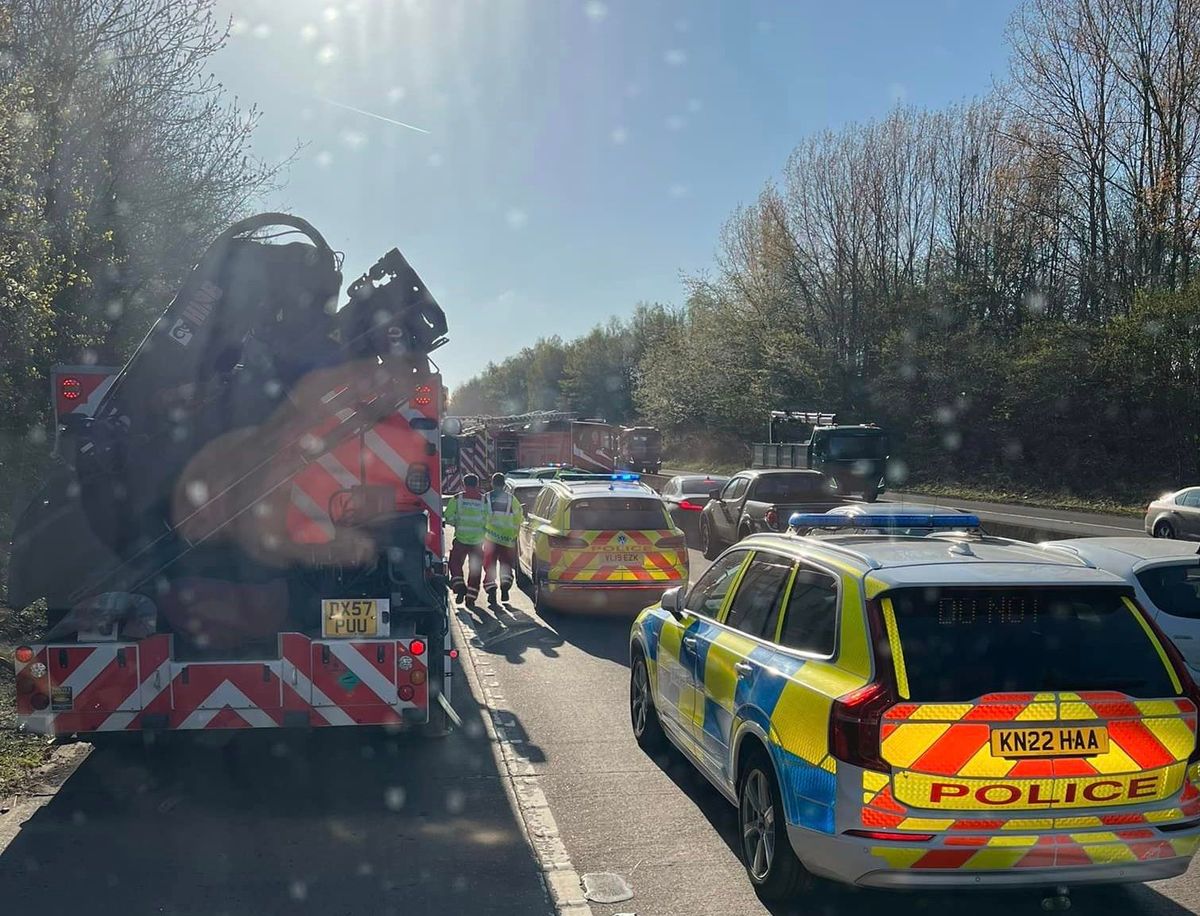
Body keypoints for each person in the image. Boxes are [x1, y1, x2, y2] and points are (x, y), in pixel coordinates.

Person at [444, 473, 487, 606]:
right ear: (477, 484)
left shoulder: (457, 498)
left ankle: (459, 586)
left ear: (463, 484)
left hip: (461, 540)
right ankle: (471, 598)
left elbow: (448, 516)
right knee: (475, 570)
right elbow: (488, 518)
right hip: (477, 542)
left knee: (454, 564)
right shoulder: (484, 500)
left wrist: (456, 522)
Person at [482, 472, 524, 605]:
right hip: (507, 539)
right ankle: (505, 586)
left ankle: (491, 590)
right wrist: (515, 533)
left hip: (490, 538)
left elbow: (480, 516)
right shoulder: (512, 499)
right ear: (504, 484)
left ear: (492, 484)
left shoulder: (486, 498)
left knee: (489, 565)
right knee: (505, 564)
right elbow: (519, 518)